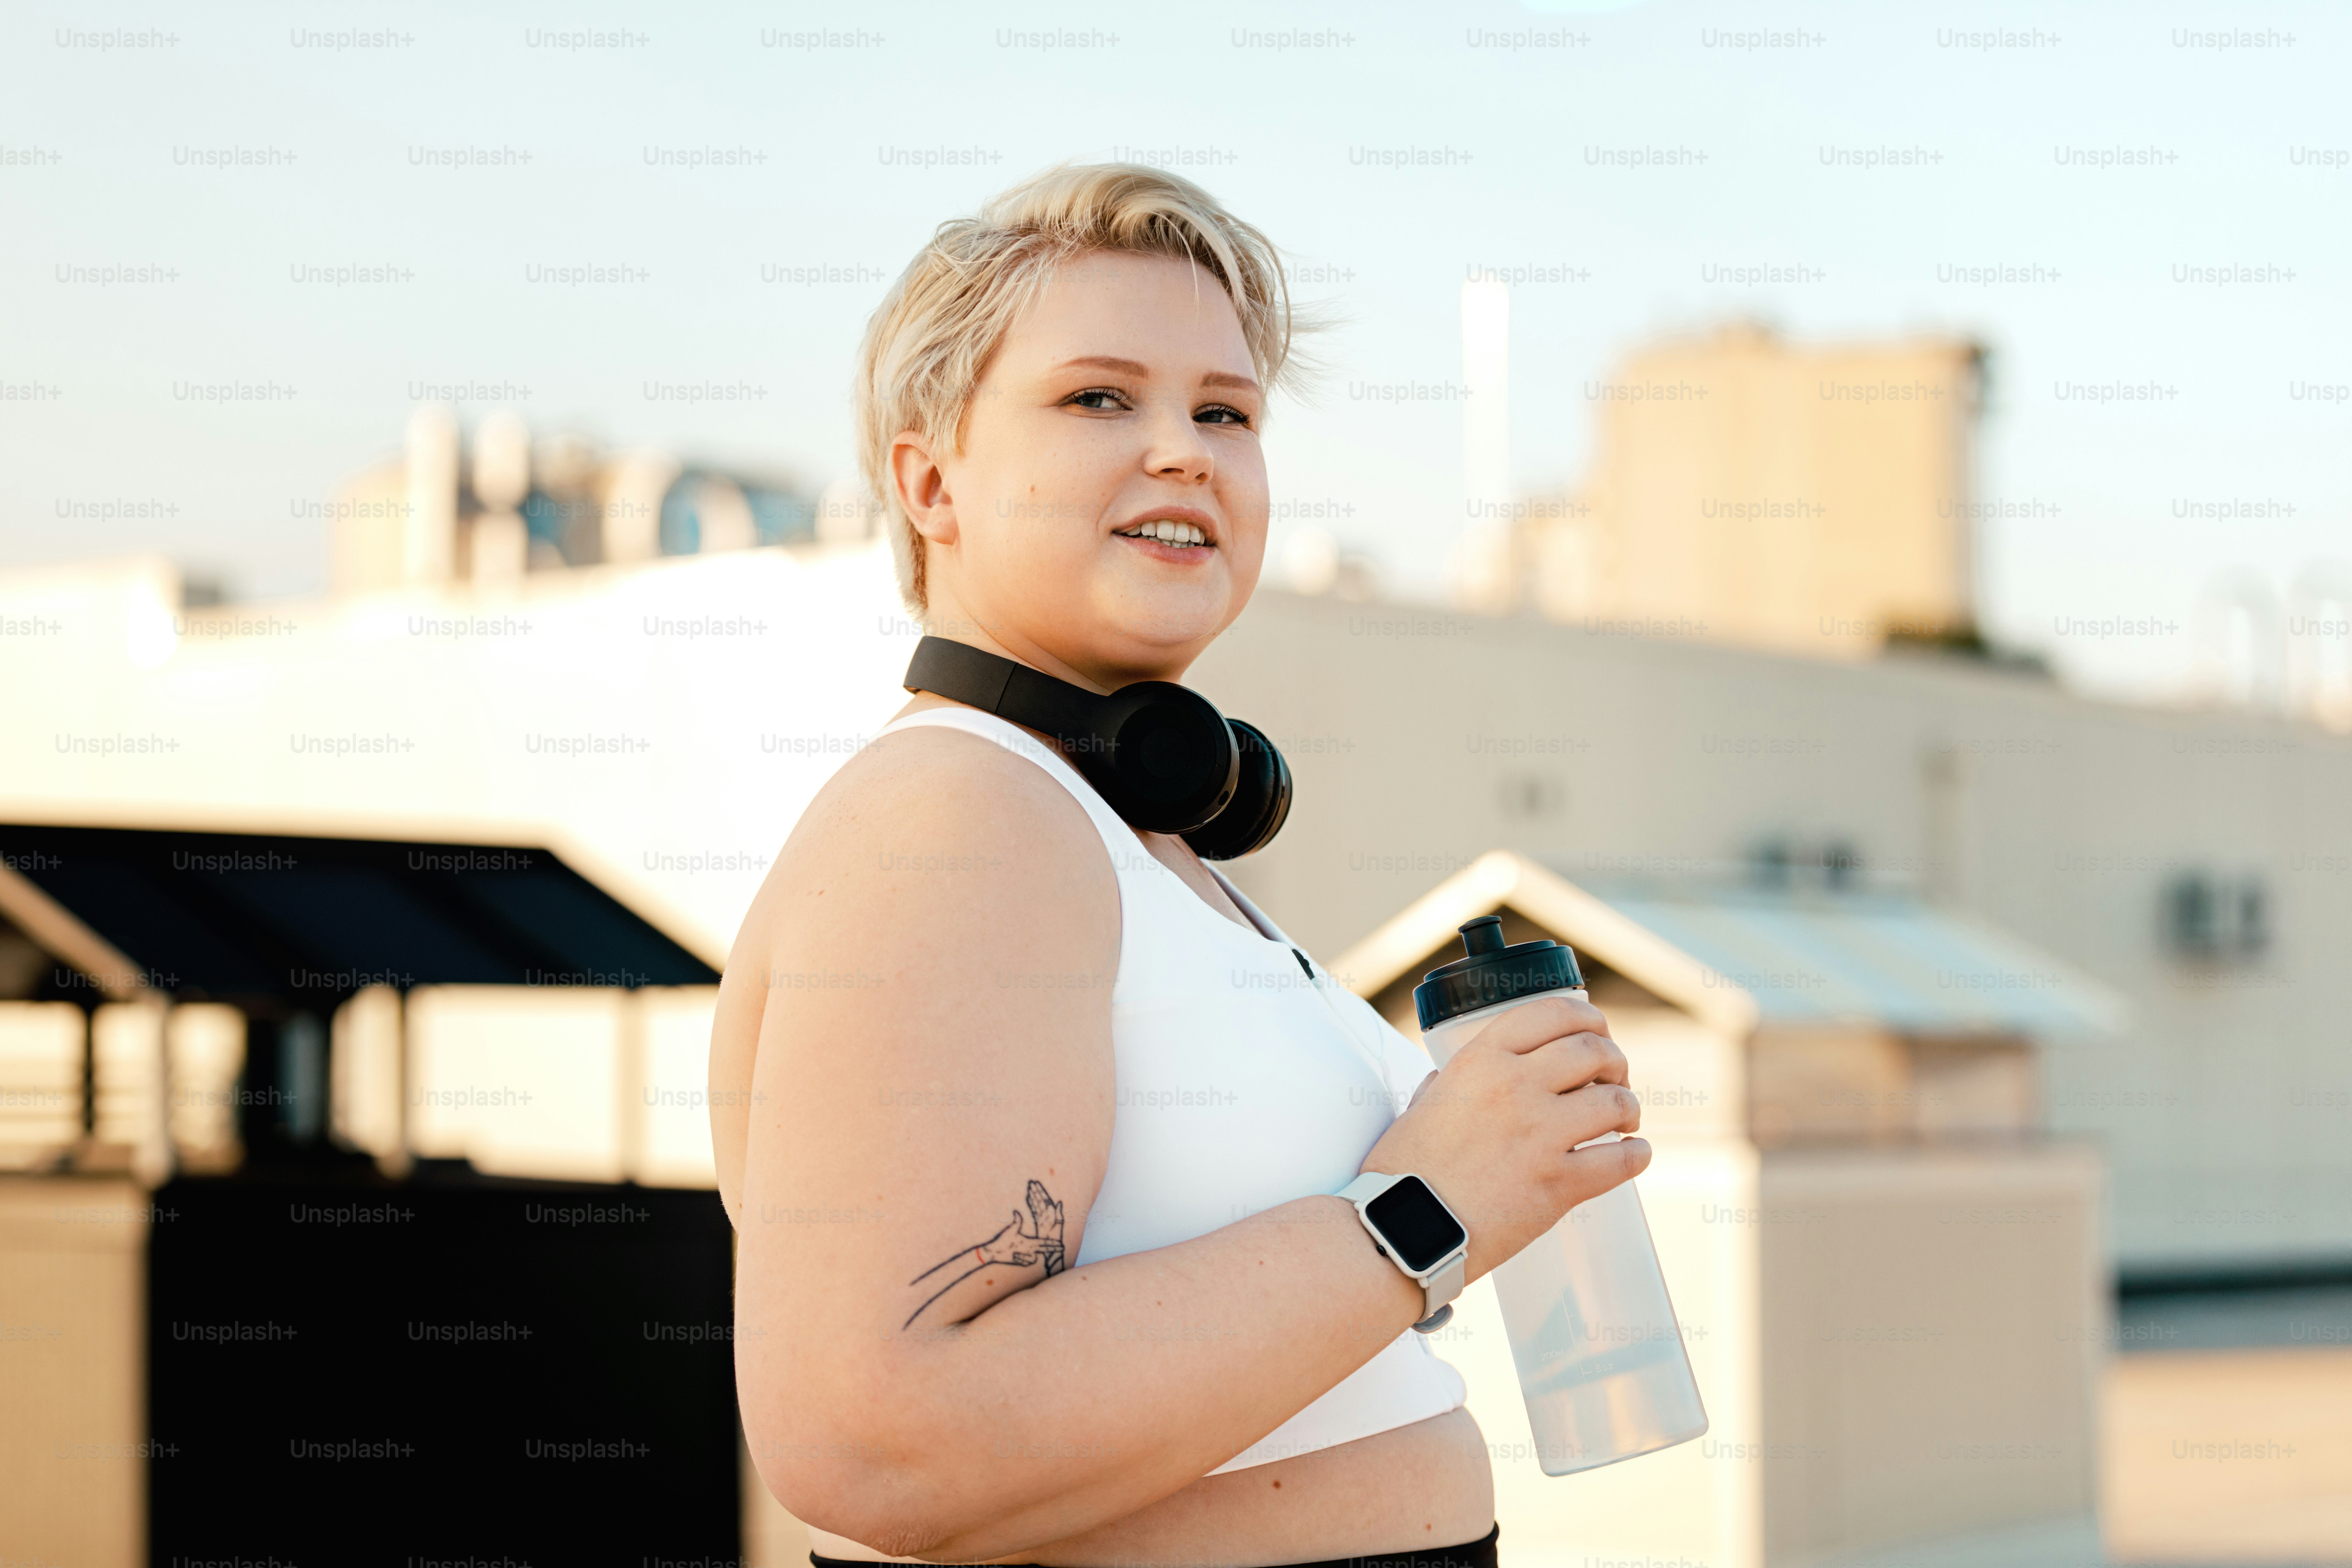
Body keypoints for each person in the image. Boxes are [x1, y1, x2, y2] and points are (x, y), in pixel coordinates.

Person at [709, 163, 1648, 1568]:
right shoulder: (959, 817)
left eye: (1226, 411)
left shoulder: (1121, 834)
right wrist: (1428, 1206)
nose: (1186, 449)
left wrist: (1472, 1178)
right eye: (1100, 397)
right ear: (930, 479)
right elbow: (874, 1433)